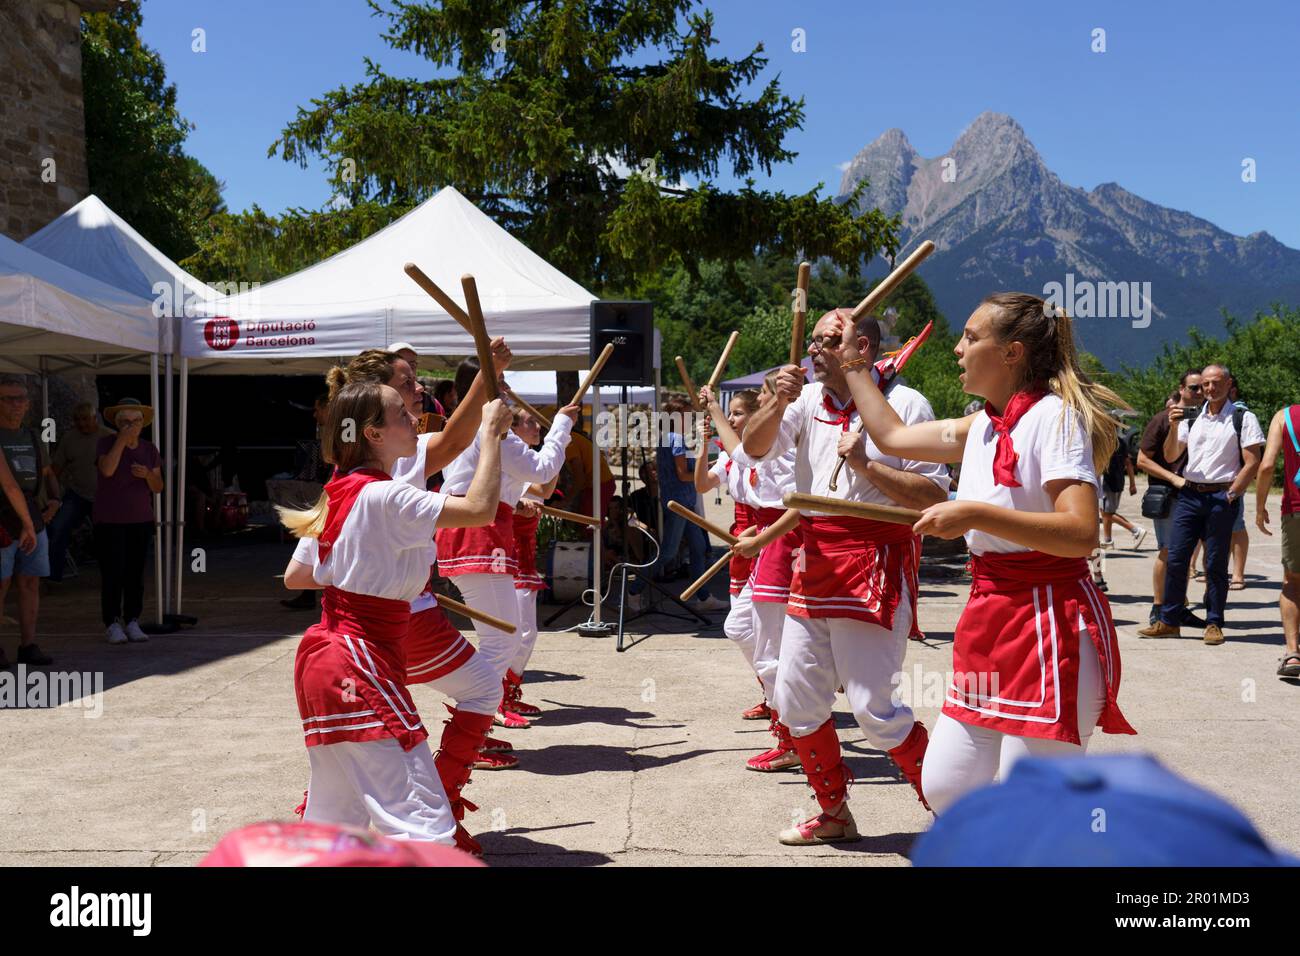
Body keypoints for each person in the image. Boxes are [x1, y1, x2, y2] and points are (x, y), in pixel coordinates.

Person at [837, 293, 1137, 817]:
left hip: (1051, 624)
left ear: (1012, 353)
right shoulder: (983, 425)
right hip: (991, 618)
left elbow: (1081, 532)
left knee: (1034, 804)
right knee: (948, 786)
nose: (957, 348)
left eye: (971, 337)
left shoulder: (1054, 419)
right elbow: (892, 434)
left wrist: (972, 514)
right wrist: (856, 365)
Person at [740, 310, 951, 844]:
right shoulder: (807, 400)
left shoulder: (906, 404)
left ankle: (954, 815)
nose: (815, 350)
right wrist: (775, 401)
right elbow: (752, 450)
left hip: (874, 562)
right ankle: (834, 813)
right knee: (794, 699)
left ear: (863, 348)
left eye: (829, 342)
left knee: (874, 712)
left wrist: (868, 467)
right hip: (813, 564)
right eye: (813, 341)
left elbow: (932, 497)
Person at [279, 380, 510, 845]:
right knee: (425, 827)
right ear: (373, 435)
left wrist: (371, 575)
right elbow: (481, 509)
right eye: (402, 414)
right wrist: (491, 436)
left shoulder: (338, 491)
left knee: (333, 826)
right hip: (358, 661)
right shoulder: (386, 497)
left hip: (328, 660)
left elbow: (298, 576)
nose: (414, 420)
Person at [436, 378, 577, 748]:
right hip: (477, 535)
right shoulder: (497, 436)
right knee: (502, 639)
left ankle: (478, 721)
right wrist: (561, 425)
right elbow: (543, 470)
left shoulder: (482, 438)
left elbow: (538, 484)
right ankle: (472, 726)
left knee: (504, 636)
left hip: (481, 534)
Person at [700, 378, 804, 768]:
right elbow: (739, 453)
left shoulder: (790, 444)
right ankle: (793, 723)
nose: (759, 401)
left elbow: (804, 507)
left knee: (772, 653)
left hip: (784, 545)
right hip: (766, 543)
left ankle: (794, 738)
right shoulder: (767, 445)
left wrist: (763, 539)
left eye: (764, 395)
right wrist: (711, 411)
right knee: (742, 630)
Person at [1139, 363, 1265, 645]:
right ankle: (1169, 620)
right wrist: (1173, 426)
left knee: (1215, 563)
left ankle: (1214, 622)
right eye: (1205, 384)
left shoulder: (1243, 418)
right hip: (1190, 496)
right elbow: (1172, 455)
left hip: (1220, 497)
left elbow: (1252, 461)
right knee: (1176, 559)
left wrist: (1232, 494)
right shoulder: (1192, 417)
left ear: (1229, 383)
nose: (1209, 388)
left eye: (1215, 382)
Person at [695, 386, 777, 724]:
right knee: (745, 631)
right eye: (730, 413)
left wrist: (755, 535)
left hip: (768, 543)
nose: (732, 418)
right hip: (742, 548)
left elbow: (777, 507)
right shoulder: (731, 455)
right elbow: (701, 485)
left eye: (739, 413)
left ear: (756, 416)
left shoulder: (774, 451)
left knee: (760, 632)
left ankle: (786, 696)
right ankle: (771, 693)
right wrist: (702, 445)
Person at [504, 406, 564, 718]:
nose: (538, 425)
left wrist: (556, 450)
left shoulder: (527, 462)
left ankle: (509, 692)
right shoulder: (514, 465)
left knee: (525, 632)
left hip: (522, 556)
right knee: (517, 632)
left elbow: (546, 487)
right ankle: (499, 697)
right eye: (530, 421)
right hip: (506, 556)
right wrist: (557, 445)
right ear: (513, 428)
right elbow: (544, 487)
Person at [644, 396, 727, 610]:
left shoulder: (667, 438)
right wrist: (707, 473)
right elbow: (683, 475)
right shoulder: (676, 439)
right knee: (668, 553)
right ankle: (633, 590)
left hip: (683, 503)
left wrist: (708, 465)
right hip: (679, 504)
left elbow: (682, 471)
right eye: (687, 414)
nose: (691, 418)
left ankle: (703, 597)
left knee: (698, 549)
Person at [1136, 371, 1205, 627]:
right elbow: (1142, 459)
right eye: (1194, 388)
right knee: (1168, 551)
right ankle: (1158, 606)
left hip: (1195, 495)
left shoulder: (1206, 421)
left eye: (1203, 388)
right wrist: (1173, 478)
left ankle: (1178, 605)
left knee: (1184, 555)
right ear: (1182, 389)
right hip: (1170, 495)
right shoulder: (1162, 419)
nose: (1199, 393)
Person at [0, 374, 59, 666]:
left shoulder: (33, 436)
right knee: (1, 582)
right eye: (9, 398)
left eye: (21, 398)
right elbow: (9, 486)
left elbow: (47, 473)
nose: (16, 404)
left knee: (30, 581)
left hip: (32, 517)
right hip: (2, 518)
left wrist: (56, 501)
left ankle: (28, 645)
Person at [94, 399, 164, 644]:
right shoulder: (105, 444)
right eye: (125, 421)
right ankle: (112, 622)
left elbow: (159, 487)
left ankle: (132, 620)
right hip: (109, 520)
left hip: (140, 519)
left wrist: (147, 476)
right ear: (116, 423)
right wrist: (121, 442)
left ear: (142, 424)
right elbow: (107, 470)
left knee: (135, 573)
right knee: (112, 572)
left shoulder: (149, 449)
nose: (130, 426)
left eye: (135, 421)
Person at [1254, 401, 1300, 677]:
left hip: (1296, 509)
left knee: (1293, 581)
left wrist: (1260, 507)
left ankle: (1293, 653)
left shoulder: (1284, 417)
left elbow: (1267, 465)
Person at [47, 402, 114, 583]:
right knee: (57, 527)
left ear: (94, 418)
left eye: (85, 419)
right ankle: (53, 577)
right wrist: (52, 495)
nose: (82, 423)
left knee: (109, 536)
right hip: (77, 494)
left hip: (106, 497)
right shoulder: (69, 438)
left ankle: (113, 577)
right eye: (77, 420)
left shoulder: (109, 436)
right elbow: (55, 469)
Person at [1098, 418, 1147, 551]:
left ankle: (1135, 530)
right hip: (1118, 481)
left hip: (1108, 481)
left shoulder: (1107, 443)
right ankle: (1108, 540)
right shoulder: (1121, 442)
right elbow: (1129, 464)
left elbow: (1100, 463)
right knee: (1105, 512)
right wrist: (1132, 483)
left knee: (1107, 513)